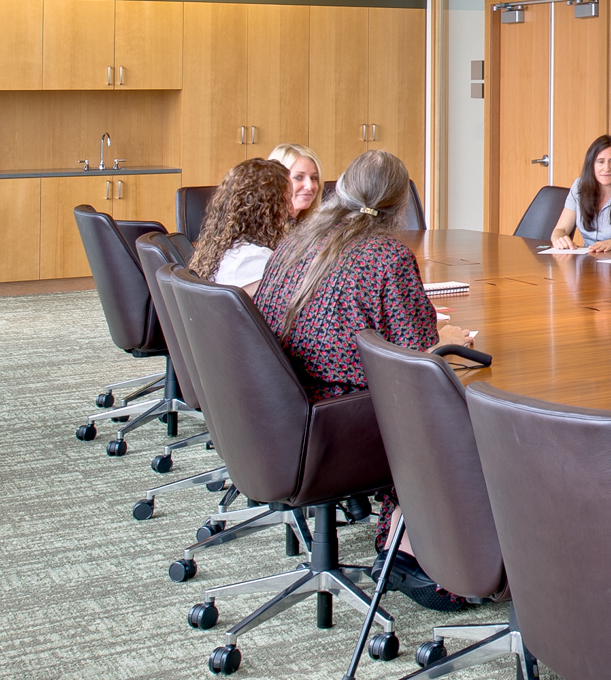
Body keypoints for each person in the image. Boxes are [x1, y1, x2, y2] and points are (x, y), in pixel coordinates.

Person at [255, 149, 475, 610]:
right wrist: (446, 337)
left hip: (282, 411)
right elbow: (417, 363)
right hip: (340, 422)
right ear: (399, 207)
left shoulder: (297, 240)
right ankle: (414, 543)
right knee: (456, 409)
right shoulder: (387, 257)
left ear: (341, 188)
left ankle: (405, 530)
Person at [189, 158, 293, 294]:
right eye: (287, 200)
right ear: (268, 209)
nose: (290, 209)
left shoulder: (224, 248)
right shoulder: (254, 260)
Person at [550, 134, 611, 253]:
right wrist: (559, 239)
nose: (606, 168)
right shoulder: (579, 186)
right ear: (591, 165)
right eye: (600, 162)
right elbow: (561, 229)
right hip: (586, 262)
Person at [268, 143, 323, 220]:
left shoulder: (317, 225)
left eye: (313, 178)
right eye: (298, 177)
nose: (310, 186)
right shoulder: (260, 229)